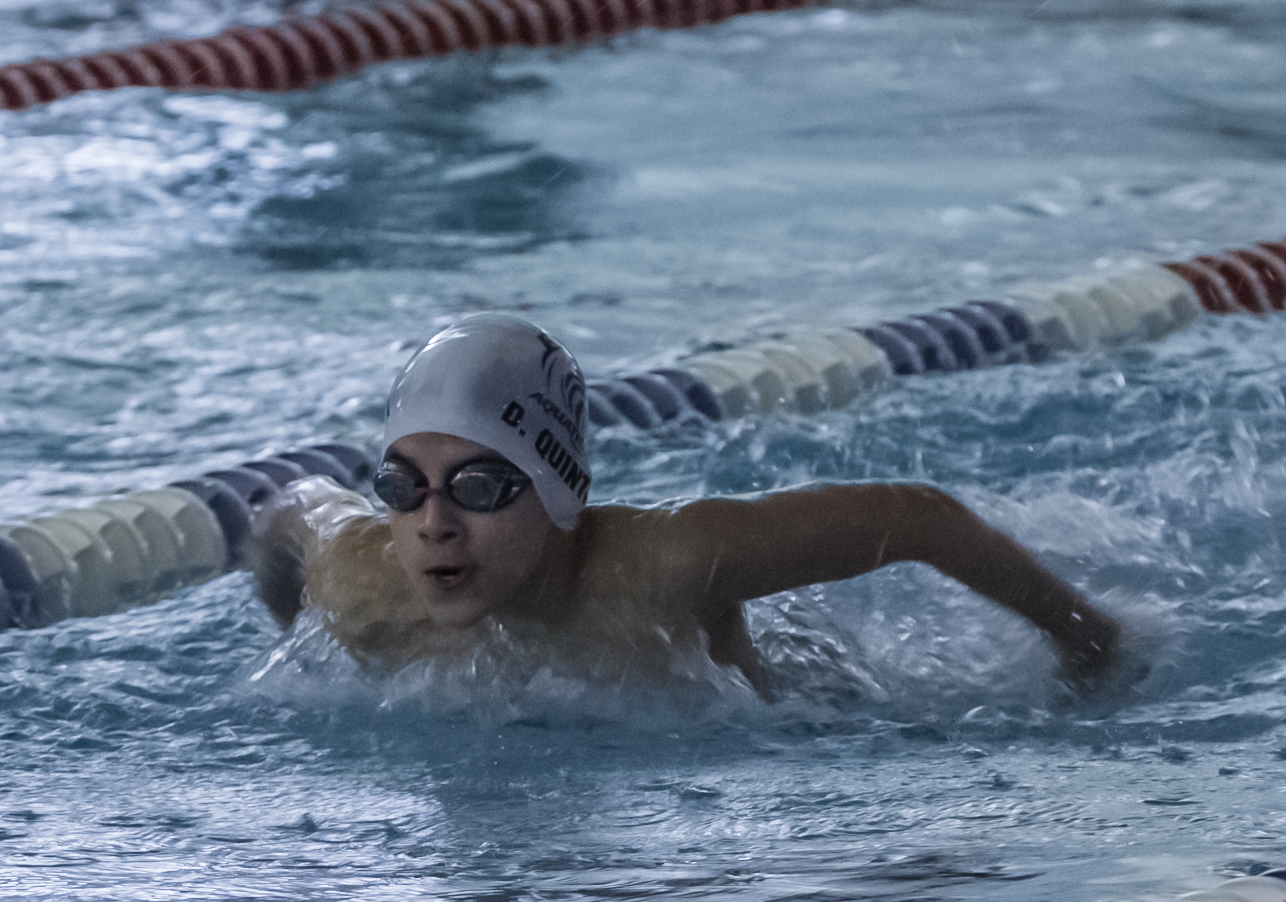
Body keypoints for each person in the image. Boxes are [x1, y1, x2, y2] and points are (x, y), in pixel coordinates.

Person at [251, 313, 1124, 698]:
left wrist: (1087, 641)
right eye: (402, 486)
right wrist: (315, 643)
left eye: (479, 488)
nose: (432, 524)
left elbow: (920, 518)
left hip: (792, 715)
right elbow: (286, 514)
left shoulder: (664, 564)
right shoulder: (367, 580)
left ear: (557, 492)